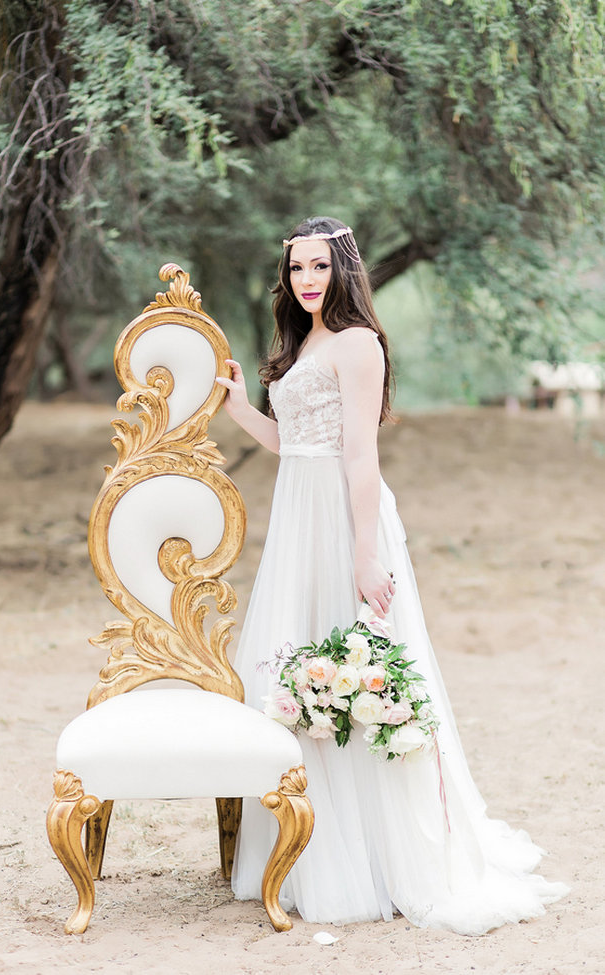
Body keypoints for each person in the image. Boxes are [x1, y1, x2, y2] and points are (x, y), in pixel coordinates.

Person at [215, 216, 568, 935]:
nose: (305, 280)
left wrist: (366, 550)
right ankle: (300, 847)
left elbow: (358, 457)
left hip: (346, 521)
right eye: (296, 270)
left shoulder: (358, 344)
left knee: (356, 669)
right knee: (291, 668)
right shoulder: (304, 340)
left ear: (343, 269)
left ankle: (378, 857)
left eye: (318, 267)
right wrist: (243, 410)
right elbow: (297, 445)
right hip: (297, 523)